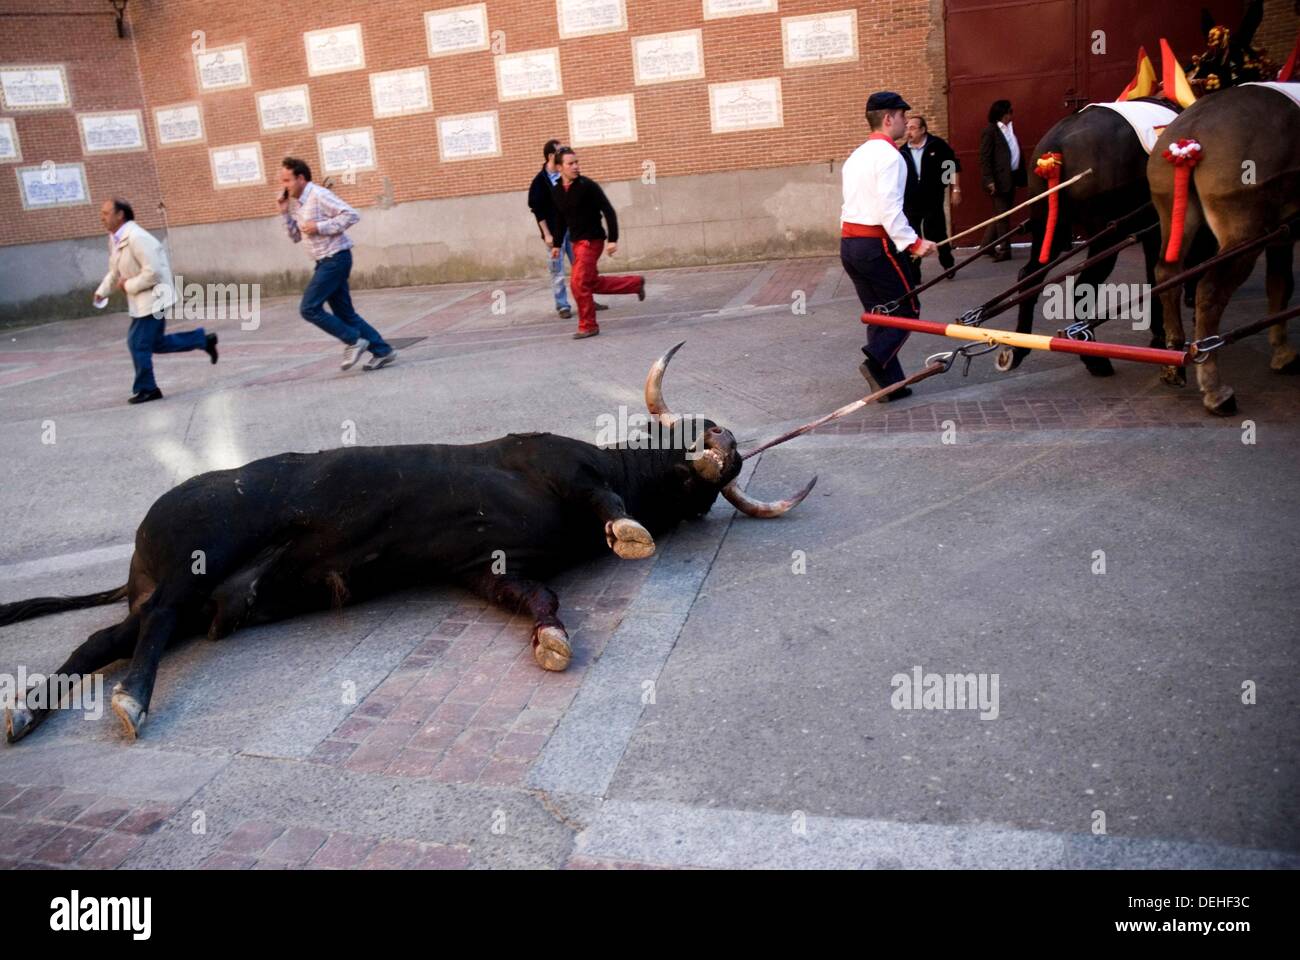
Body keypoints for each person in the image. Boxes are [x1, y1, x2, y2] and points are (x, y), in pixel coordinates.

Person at [840, 92, 936, 399]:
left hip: (850, 245)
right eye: (902, 116)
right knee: (907, 309)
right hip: (874, 246)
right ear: (887, 119)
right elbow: (889, 208)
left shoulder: (857, 155)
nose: (906, 122)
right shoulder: (891, 156)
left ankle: (890, 385)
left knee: (878, 312)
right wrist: (914, 243)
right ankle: (876, 359)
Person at [277, 157, 396, 370]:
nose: (284, 186)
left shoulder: (319, 195)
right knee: (345, 314)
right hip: (324, 261)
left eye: (287, 180)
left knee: (309, 308)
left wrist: (320, 227)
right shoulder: (298, 204)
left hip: (336, 258)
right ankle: (383, 350)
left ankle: (353, 341)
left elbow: (351, 215)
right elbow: (296, 236)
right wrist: (285, 212)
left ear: (301, 178)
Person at [94, 198, 216, 405]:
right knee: (155, 343)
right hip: (142, 302)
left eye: (106, 213)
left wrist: (128, 286)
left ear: (120, 215)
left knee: (138, 343)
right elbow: (115, 272)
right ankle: (203, 340)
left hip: (155, 299)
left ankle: (148, 389)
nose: (101, 217)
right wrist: (102, 291)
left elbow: (154, 272)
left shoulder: (138, 237)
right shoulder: (116, 239)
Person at [549, 147, 645, 340]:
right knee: (591, 283)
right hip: (577, 242)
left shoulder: (587, 186)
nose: (576, 166)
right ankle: (635, 283)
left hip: (592, 241)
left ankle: (588, 325)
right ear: (560, 167)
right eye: (571, 163)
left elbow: (608, 210)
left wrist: (613, 239)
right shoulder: (557, 190)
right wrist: (557, 245)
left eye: (577, 162)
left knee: (577, 283)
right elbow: (560, 218)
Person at [528, 139, 608, 320]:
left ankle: (587, 300)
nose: (565, 153)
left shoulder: (570, 177)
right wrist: (547, 234)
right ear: (551, 157)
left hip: (574, 231)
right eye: (560, 151)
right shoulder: (540, 182)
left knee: (583, 266)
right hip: (554, 234)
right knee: (557, 271)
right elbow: (537, 210)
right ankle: (562, 305)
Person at [901, 115, 961, 274]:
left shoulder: (937, 146)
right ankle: (914, 273)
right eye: (907, 127)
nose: (909, 131)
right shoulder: (902, 151)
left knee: (937, 232)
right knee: (913, 235)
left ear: (923, 130)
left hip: (932, 198)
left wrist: (954, 189)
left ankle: (948, 263)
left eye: (913, 128)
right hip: (911, 201)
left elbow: (950, 166)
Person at [978, 99, 1026, 261]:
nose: (1012, 114)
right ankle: (1005, 249)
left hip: (1011, 177)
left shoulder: (1010, 129)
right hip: (998, 180)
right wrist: (989, 180)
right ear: (1003, 113)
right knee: (1003, 216)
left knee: (1001, 214)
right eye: (1010, 111)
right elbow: (985, 158)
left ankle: (986, 245)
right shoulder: (990, 131)